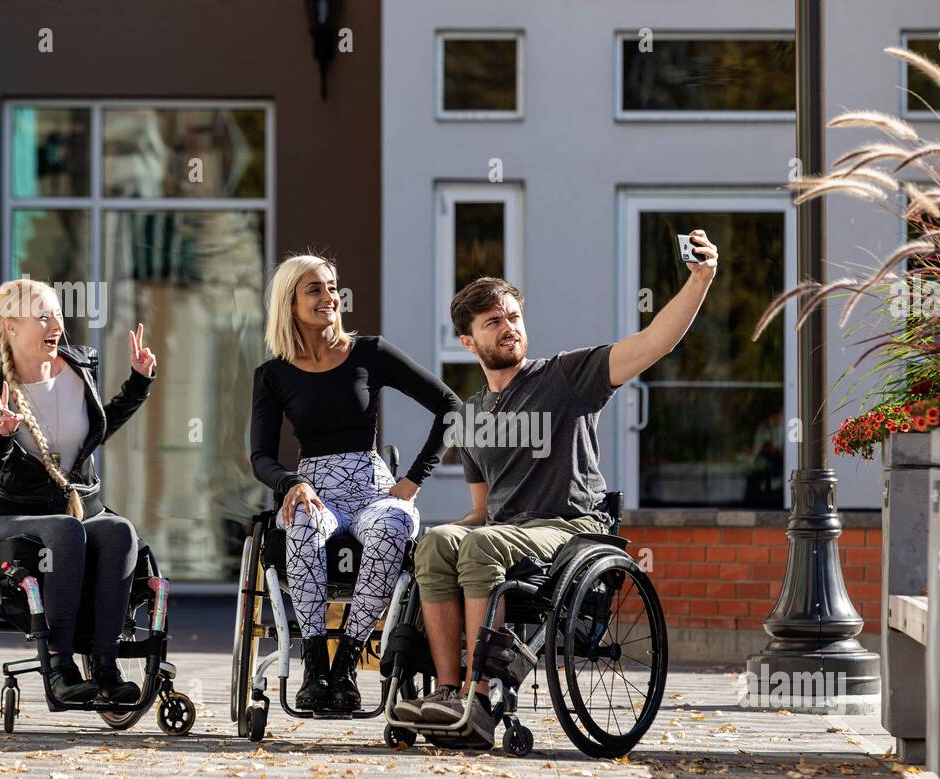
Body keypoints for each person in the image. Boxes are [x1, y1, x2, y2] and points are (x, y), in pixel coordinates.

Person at [395, 230, 720, 747]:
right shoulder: (472, 415)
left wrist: (700, 279)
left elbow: (653, 343)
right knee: (437, 543)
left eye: (513, 318)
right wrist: (419, 529)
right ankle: (449, 692)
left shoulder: (567, 377)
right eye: (493, 322)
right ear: (468, 341)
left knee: (479, 545)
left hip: (570, 530)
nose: (508, 329)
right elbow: (481, 510)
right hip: (504, 534)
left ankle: (481, 697)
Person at [250, 253, 462, 711]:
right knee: (302, 522)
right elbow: (261, 456)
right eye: (315, 289)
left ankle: (346, 661)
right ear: (289, 303)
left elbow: (451, 406)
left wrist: (414, 479)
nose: (329, 297)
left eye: (331, 286)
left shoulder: (370, 353)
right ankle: (314, 666)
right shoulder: (273, 375)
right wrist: (290, 483)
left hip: (373, 488)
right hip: (314, 489)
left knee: (391, 525)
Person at [0, 278, 157, 705]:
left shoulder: (80, 366)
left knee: (120, 532)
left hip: (80, 506)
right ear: (10, 326)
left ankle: (105, 667)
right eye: (42, 315)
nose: (56, 324)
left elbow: (93, 434)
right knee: (66, 531)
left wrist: (138, 382)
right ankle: (60, 667)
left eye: (58, 314)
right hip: (10, 516)